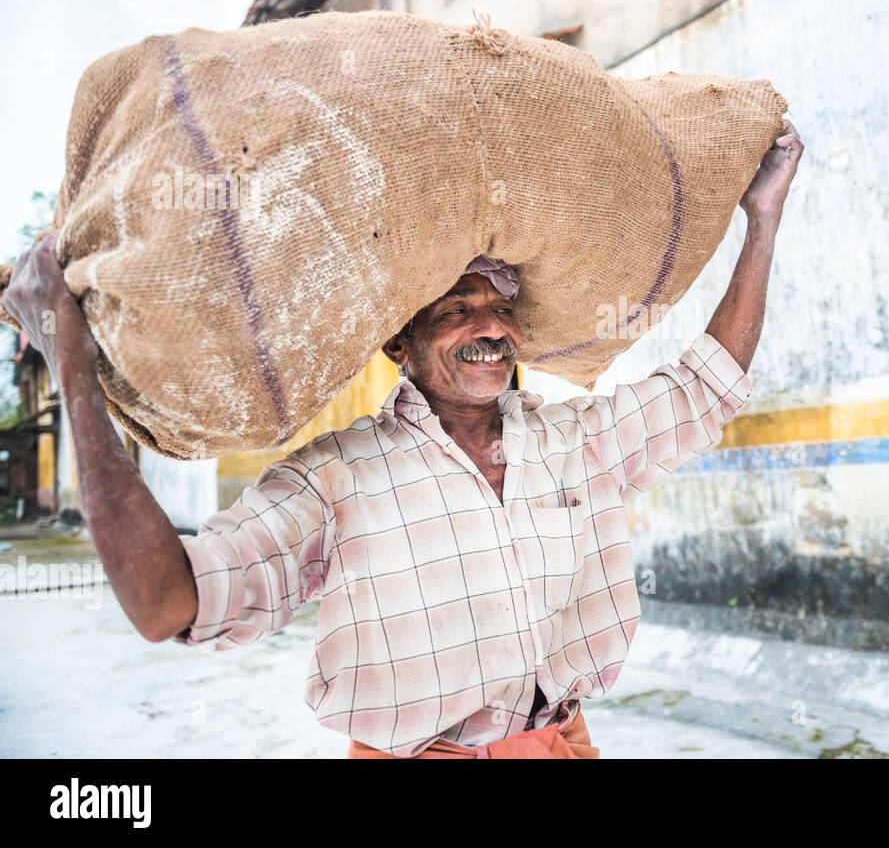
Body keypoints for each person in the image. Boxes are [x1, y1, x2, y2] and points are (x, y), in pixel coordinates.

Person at [3, 120, 804, 758]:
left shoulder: (575, 439)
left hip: (562, 746)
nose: (489, 326)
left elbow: (705, 384)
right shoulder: (335, 478)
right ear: (401, 346)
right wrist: (72, 365)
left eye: (499, 308)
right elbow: (167, 602)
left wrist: (761, 217)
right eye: (457, 309)